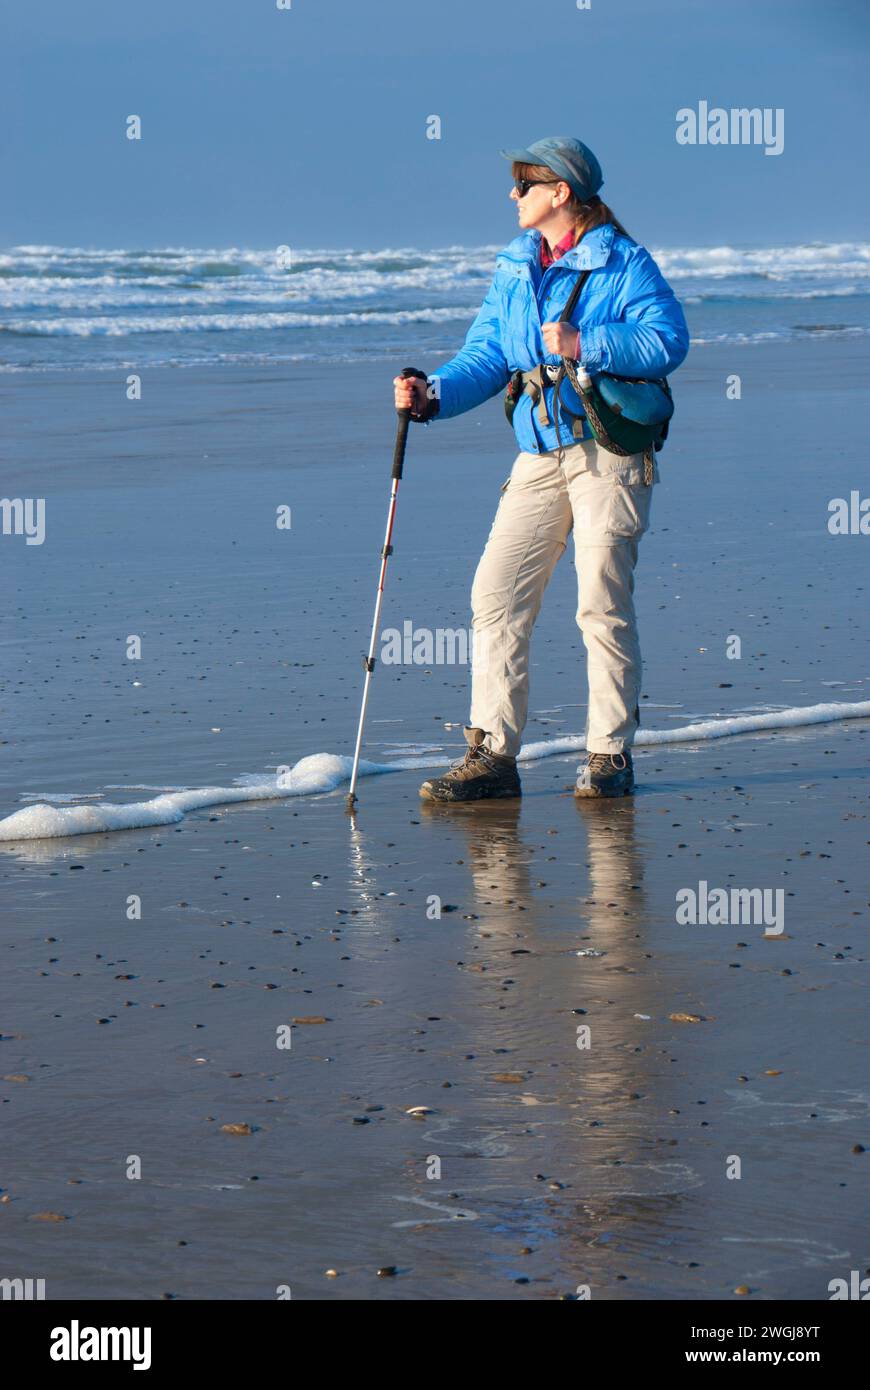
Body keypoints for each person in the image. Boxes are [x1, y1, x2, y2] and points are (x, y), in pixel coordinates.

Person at [393, 136, 689, 801]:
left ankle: (609, 757)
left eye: (524, 185)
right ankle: (493, 757)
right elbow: (487, 354)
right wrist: (431, 394)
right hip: (539, 453)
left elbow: (668, 341)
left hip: (608, 453)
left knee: (598, 604)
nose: (512, 195)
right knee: (496, 595)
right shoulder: (514, 267)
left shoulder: (625, 262)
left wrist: (588, 342)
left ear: (561, 193)